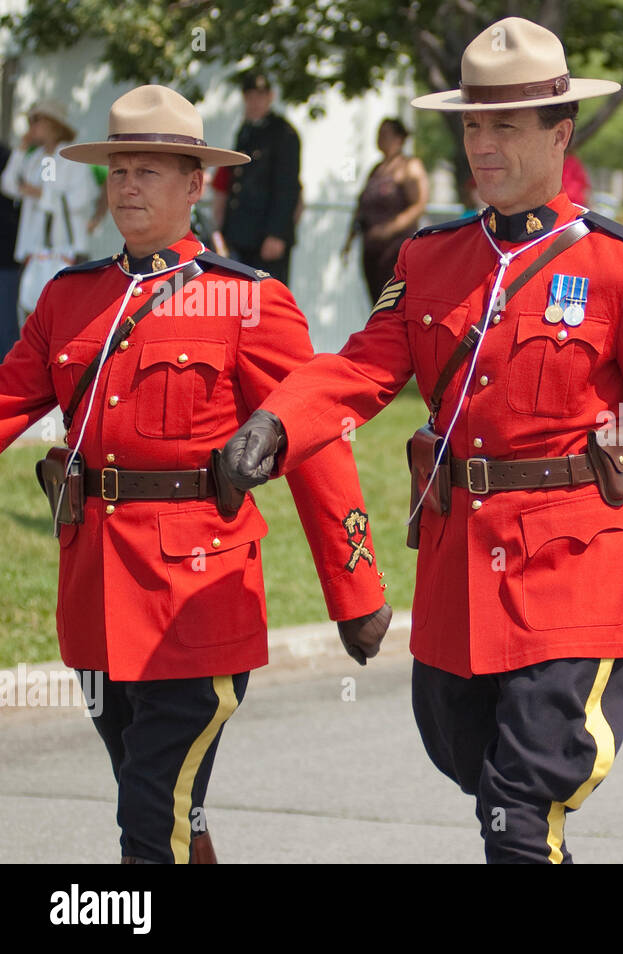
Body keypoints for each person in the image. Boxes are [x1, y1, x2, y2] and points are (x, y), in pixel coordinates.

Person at [219, 17, 623, 864]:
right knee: (480, 778)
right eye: (473, 123)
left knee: (521, 802)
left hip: (569, 574)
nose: (482, 142)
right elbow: (364, 369)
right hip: (457, 574)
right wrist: (279, 422)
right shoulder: (431, 257)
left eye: (505, 124)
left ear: (561, 131)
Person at [0, 85, 391, 863]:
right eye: (119, 172)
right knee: (170, 805)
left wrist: (356, 593)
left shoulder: (246, 301)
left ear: (194, 186)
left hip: (196, 603)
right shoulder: (72, 298)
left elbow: (314, 438)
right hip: (96, 599)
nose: (130, 187)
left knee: (151, 819)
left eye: (150, 171)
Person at [0, 101, 98, 318]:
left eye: (37, 121)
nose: (31, 126)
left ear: (53, 125)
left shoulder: (70, 158)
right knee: (33, 315)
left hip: (64, 250)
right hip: (36, 252)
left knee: (61, 314)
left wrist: (41, 194)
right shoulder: (37, 158)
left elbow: (79, 199)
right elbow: (8, 184)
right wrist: (21, 150)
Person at [211, 73, 301, 284]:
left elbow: (288, 188)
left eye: (260, 96)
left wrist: (276, 234)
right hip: (241, 234)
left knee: (267, 299)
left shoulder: (284, 133)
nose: (255, 102)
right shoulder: (246, 131)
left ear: (271, 97)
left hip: (266, 236)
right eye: (250, 96)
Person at [343, 118, 430, 301]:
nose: (380, 138)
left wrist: (391, 227)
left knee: (394, 301)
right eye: (378, 133)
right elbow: (362, 207)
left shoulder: (409, 166)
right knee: (375, 300)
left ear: (399, 139)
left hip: (396, 249)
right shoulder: (376, 169)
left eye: (385, 134)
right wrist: (349, 240)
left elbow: (419, 204)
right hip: (372, 248)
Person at [0, 143, 21, 357]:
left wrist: (21, 148)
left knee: (5, 326)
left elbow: (11, 186)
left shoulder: (7, 155)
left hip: (5, 257)